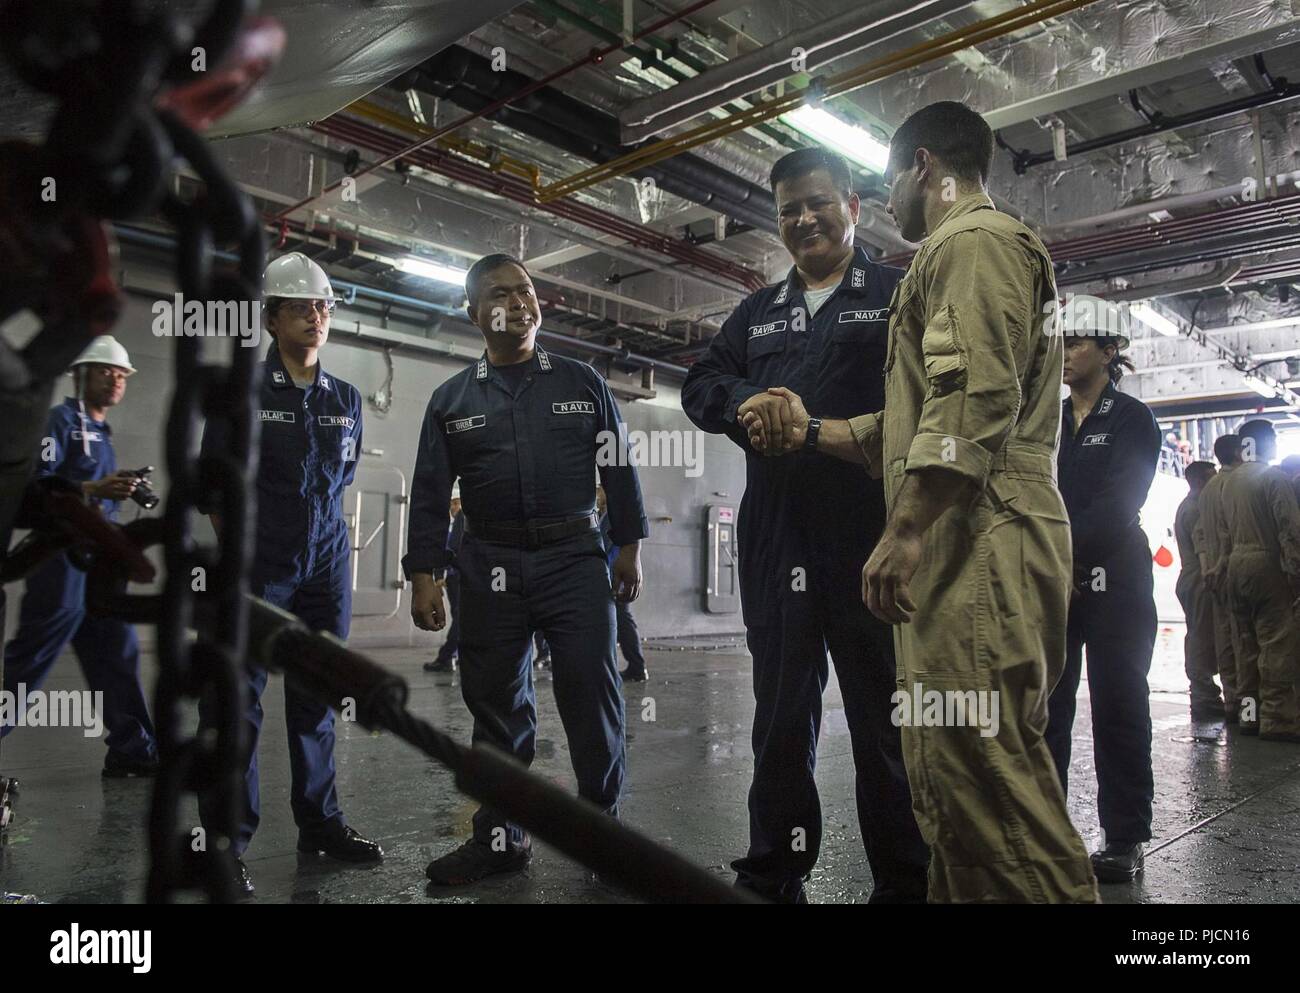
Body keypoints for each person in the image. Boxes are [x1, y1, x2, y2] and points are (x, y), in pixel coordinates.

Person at [768, 102, 1098, 902]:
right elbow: (916, 419)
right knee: (953, 777)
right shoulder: (951, 256)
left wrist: (907, 525)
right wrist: (814, 430)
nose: (886, 201)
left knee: (989, 778)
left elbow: (973, 400)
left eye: (886, 181)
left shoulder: (972, 243)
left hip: (979, 531)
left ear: (923, 167)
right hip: (970, 528)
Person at [681, 145, 928, 905]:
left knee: (883, 720)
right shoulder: (759, 312)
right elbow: (702, 382)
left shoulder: (896, 294)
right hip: (776, 534)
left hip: (867, 535)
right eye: (789, 209)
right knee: (781, 714)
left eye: (819, 202)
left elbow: (923, 401)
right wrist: (743, 404)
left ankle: (903, 880)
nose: (804, 219)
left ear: (855, 207)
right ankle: (775, 869)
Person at [405, 253, 648, 885]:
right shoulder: (452, 399)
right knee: (494, 705)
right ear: (473, 313)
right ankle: (500, 840)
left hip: (575, 558)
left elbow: (619, 468)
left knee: (589, 695)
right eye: (500, 294)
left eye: (527, 290)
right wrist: (424, 573)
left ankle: (603, 832)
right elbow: (430, 492)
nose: (519, 302)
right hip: (489, 564)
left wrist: (629, 545)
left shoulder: (580, 382)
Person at [197, 252, 382, 896]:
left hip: (327, 564)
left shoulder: (347, 399)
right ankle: (226, 840)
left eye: (324, 306)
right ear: (271, 319)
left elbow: (341, 482)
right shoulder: (240, 393)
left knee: (318, 699)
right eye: (302, 307)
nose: (316, 316)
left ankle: (321, 824)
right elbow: (214, 490)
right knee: (237, 703)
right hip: (258, 564)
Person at [1, 336, 159, 777]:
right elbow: (37, 488)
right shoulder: (58, 422)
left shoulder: (102, 433)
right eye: (106, 370)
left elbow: (92, 487)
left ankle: (135, 749)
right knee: (29, 662)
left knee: (118, 654)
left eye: (121, 374)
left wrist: (120, 485)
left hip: (98, 563)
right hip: (61, 560)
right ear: (81, 374)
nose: (115, 379)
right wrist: (93, 489)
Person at [1045, 296, 1162, 885]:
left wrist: (1063, 556)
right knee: (1048, 707)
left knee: (1118, 702)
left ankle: (1124, 837)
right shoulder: (1050, 419)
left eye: (1078, 342)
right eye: (1060, 341)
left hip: (1115, 574)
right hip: (1053, 577)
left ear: (1110, 351)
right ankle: (1047, 827)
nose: (1065, 353)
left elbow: (1120, 503)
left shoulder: (1132, 418)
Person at [1219, 419, 1300, 741]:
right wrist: (1295, 573)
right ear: (1268, 444)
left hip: (1235, 565)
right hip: (1265, 564)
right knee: (1276, 641)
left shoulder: (1228, 482)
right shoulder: (1274, 479)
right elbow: (1290, 531)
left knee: (1246, 644)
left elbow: (1223, 531)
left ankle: (1249, 714)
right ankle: (1277, 719)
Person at [1194, 434, 1243, 720]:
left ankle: (1234, 702)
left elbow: (1200, 532)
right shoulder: (1237, 483)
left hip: (1214, 573)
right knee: (1246, 639)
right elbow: (1229, 531)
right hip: (1231, 568)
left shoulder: (1208, 489)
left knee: (1224, 636)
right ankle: (1253, 708)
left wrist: (1207, 567)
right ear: (1239, 451)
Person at [1175, 461, 1225, 720]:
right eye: (1212, 475)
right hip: (1198, 577)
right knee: (1201, 636)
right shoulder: (1196, 508)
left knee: (1200, 634)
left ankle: (1204, 694)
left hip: (1192, 577)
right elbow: (1202, 546)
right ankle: (1204, 696)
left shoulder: (1190, 504)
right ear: (1201, 479)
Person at [597, 485, 647, 682]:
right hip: (614, 573)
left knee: (623, 621)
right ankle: (636, 665)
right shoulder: (607, 515)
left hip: (615, 574)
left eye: (600, 490)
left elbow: (607, 546)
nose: (597, 495)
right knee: (622, 620)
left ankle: (637, 666)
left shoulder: (613, 516)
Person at [424, 486, 463, 673]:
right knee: (460, 617)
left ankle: (447, 656)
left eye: (456, 503)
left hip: (460, 577)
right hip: (453, 579)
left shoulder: (462, 521)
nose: (454, 507)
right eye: (451, 504)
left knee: (461, 618)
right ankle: (456, 655)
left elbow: (452, 551)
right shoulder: (452, 525)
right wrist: (439, 577)